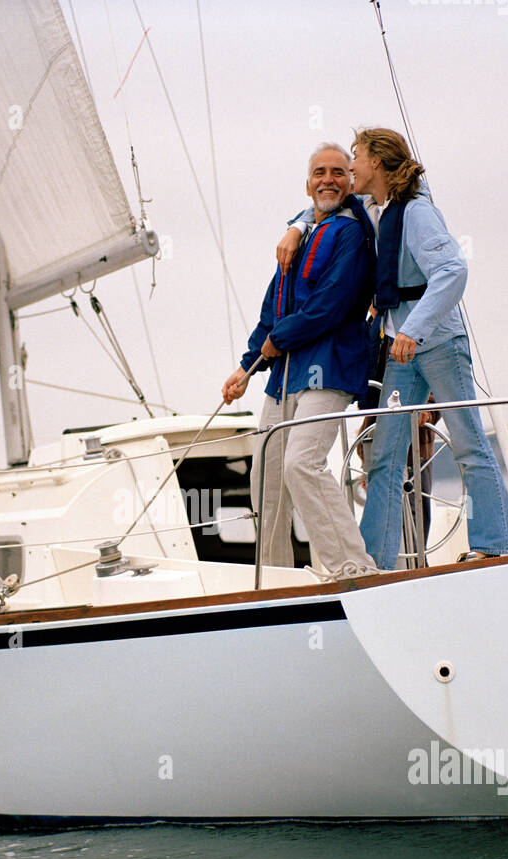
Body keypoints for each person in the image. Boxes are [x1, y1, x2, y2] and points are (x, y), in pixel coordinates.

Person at [275, 128, 508, 569]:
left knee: (468, 442)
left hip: (438, 342)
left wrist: (414, 330)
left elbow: (452, 271)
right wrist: (296, 226)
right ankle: (378, 562)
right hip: (400, 348)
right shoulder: (371, 207)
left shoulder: (419, 213)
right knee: (385, 455)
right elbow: (322, 207)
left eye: (357, 158)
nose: (350, 168)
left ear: (377, 165)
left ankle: (495, 544)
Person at [222, 142, 378, 580]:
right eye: (319, 172)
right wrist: (247, 366)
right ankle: (275, 579)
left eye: (337, 172)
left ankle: (353, 566)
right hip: (284, 376)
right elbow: (273, 305)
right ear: (307, 185)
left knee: (301, 463)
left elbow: (329, 306)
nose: (328, 179)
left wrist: (277, 342)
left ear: (350, 181)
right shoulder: (303, 231)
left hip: (329, 368)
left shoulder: (352, 234)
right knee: (267, 476)